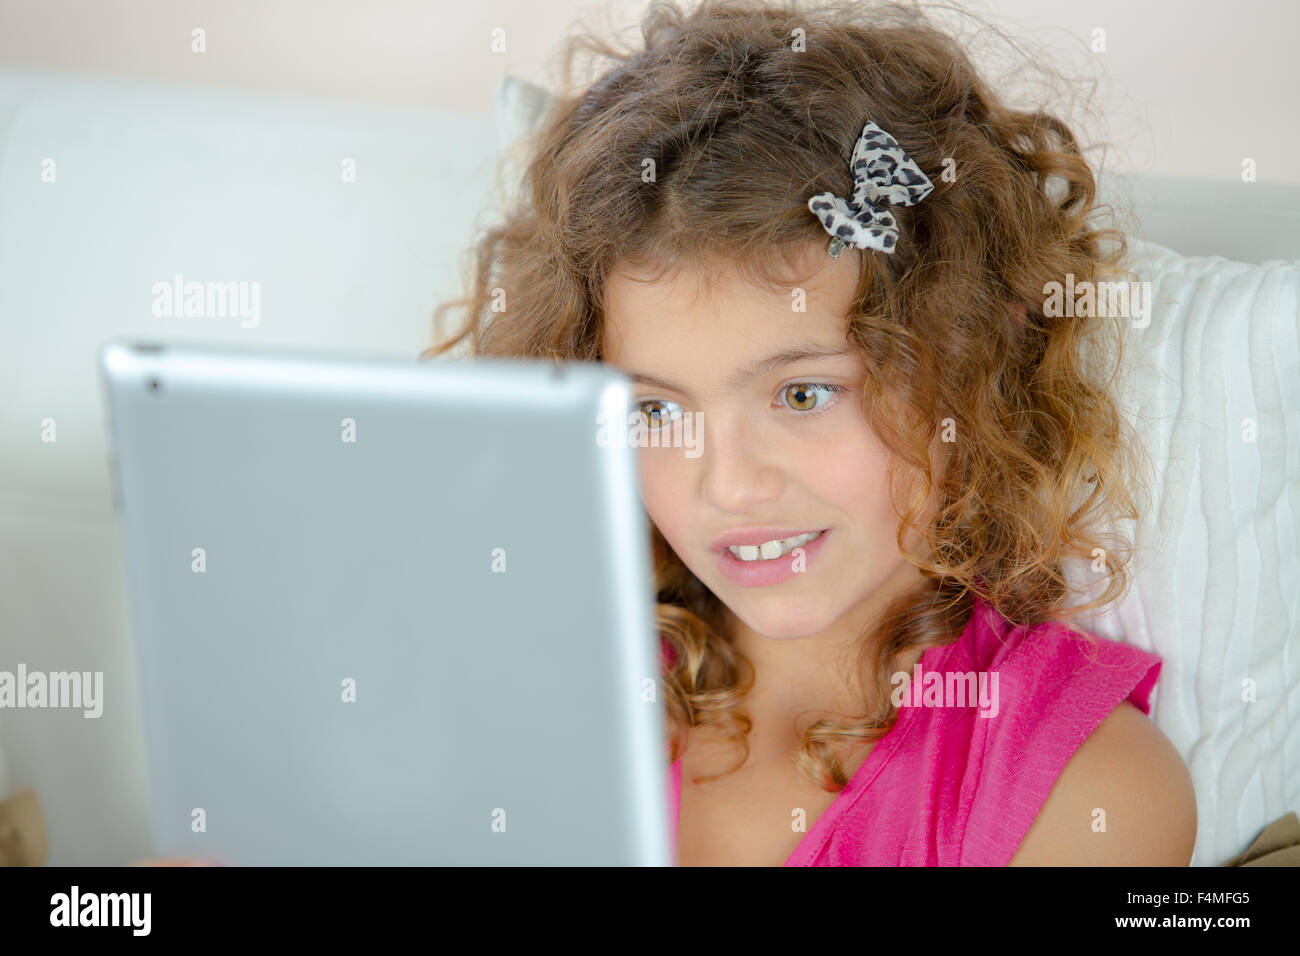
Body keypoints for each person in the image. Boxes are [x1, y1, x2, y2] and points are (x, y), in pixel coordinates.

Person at [420, 0, 1196, 866]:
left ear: (970, 361)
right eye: (655, 412)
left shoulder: (1083, 790)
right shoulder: (548, 677)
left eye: (802, 396)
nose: (730, 486)